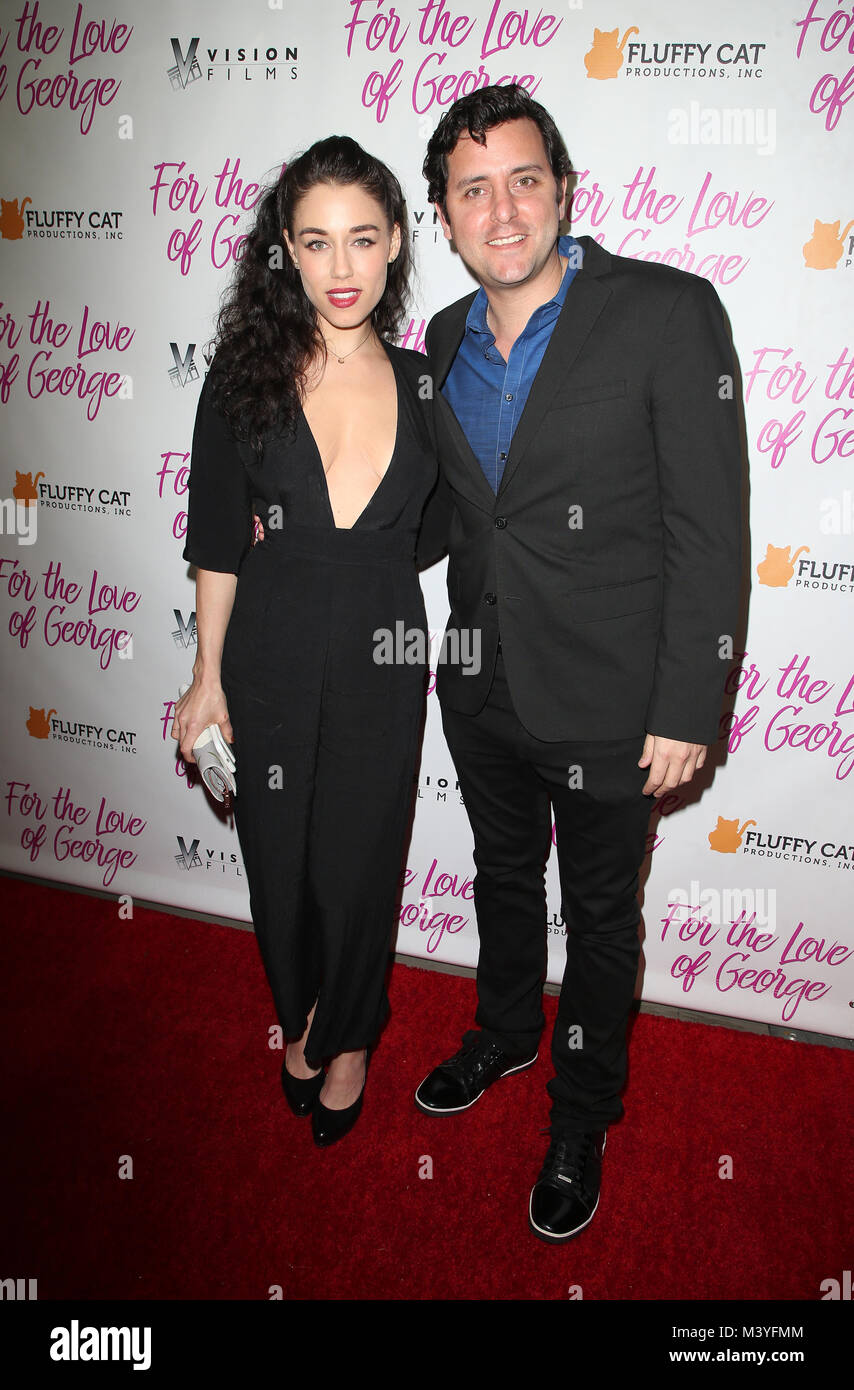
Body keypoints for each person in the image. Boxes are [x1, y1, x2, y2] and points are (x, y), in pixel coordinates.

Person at [413, 86, 743, 1241]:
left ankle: (580, 1110)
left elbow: (708, 527)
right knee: (500, 876)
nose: (498, 209)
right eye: (471, 188)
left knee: (598, 917)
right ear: (443, 215)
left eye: (520, 180)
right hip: (480, 682)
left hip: (615, 702)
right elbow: (456, 517)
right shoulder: (442, 338)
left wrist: (686, 699)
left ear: (561, 189)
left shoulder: (665, 312)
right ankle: (505, 1028)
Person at [172, 136, 437, 1147]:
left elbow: (450, 524)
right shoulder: (244, 375)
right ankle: (304, 1008)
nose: (339, 268)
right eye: (315, 242)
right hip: (271, 641)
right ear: (284, 249)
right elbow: (213, 536)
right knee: (279, 860)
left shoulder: (426, 384)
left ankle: (353, 1034)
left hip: (382, 643)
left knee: (364, 858)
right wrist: (205, 676)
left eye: (361, 240)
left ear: (396, 242)